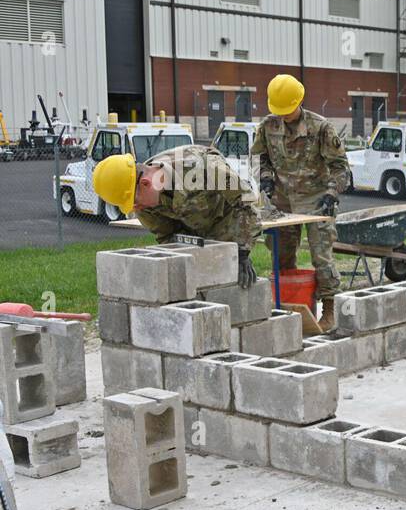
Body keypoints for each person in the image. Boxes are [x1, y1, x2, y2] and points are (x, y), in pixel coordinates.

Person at [251, 74, 349, 330]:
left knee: (322, 257)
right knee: (281, 257)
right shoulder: (267, 126)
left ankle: (329, 310)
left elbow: (340, 168)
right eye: (279, 111)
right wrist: (266, 179)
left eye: (287, 110)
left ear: (298, 101)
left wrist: (331, 193)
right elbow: (262, 159)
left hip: (317, 201)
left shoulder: (321, 128)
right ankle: (289, 306)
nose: (283, 116)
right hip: (282, 202)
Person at [92, 146, 260, 288]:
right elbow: (167, 236)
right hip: (199, 233)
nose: (137, 209)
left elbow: (247, 202)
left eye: (135, 203)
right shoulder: (143, 203)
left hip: (229, 224)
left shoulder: (205, 167)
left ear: (145, 183)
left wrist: (242, 250)